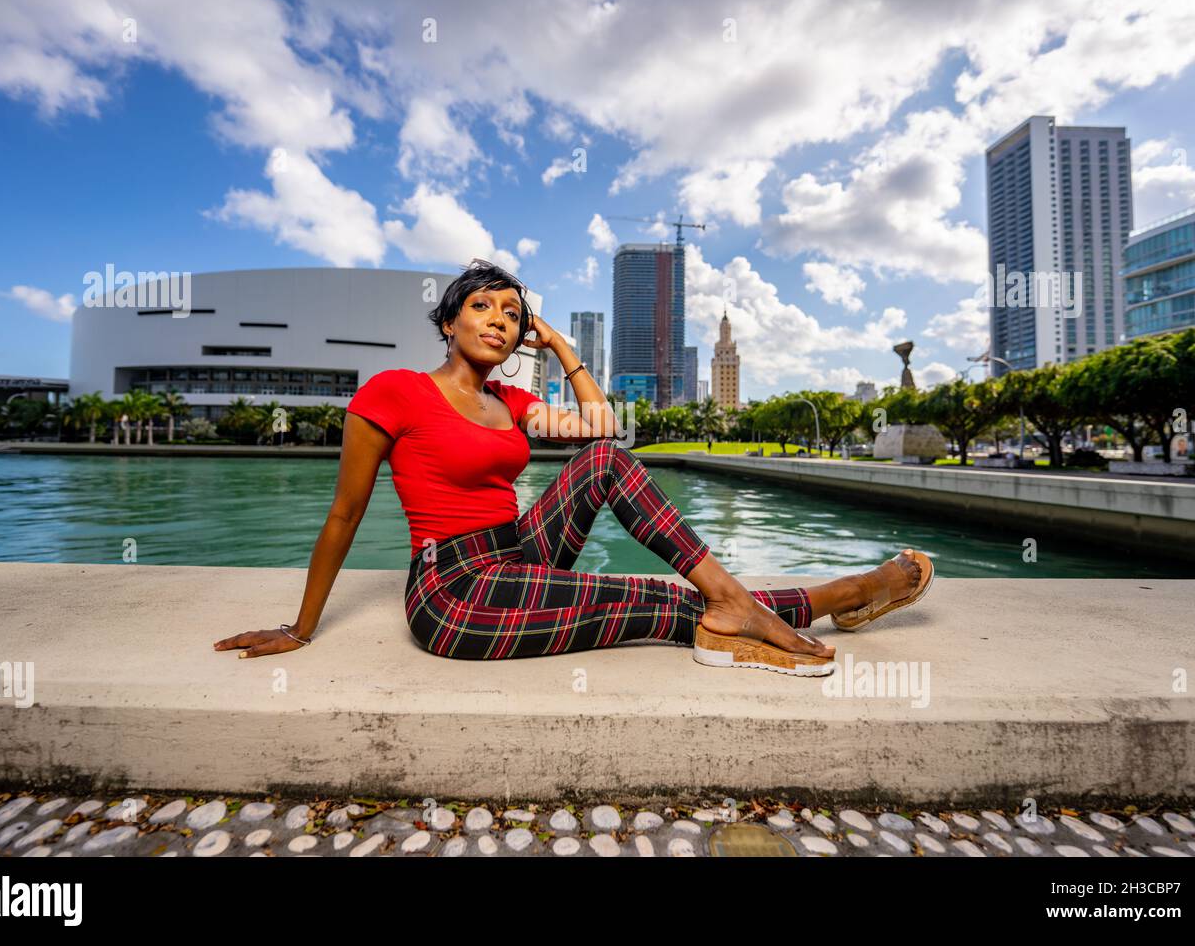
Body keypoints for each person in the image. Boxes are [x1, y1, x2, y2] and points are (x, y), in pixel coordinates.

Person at [214, 260, 932, 677]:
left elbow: (604, 429)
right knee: (655, 603)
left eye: (512, 312)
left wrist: (559, 347)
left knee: (601, 460)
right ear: (447, 324)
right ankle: (840, 595)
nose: (498, 318)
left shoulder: (513, 399)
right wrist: (302, 629)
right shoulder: (394, 392)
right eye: (480, 306)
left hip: (521, 554)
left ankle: (746, 602)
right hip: (455, 589)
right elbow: (344, 514)